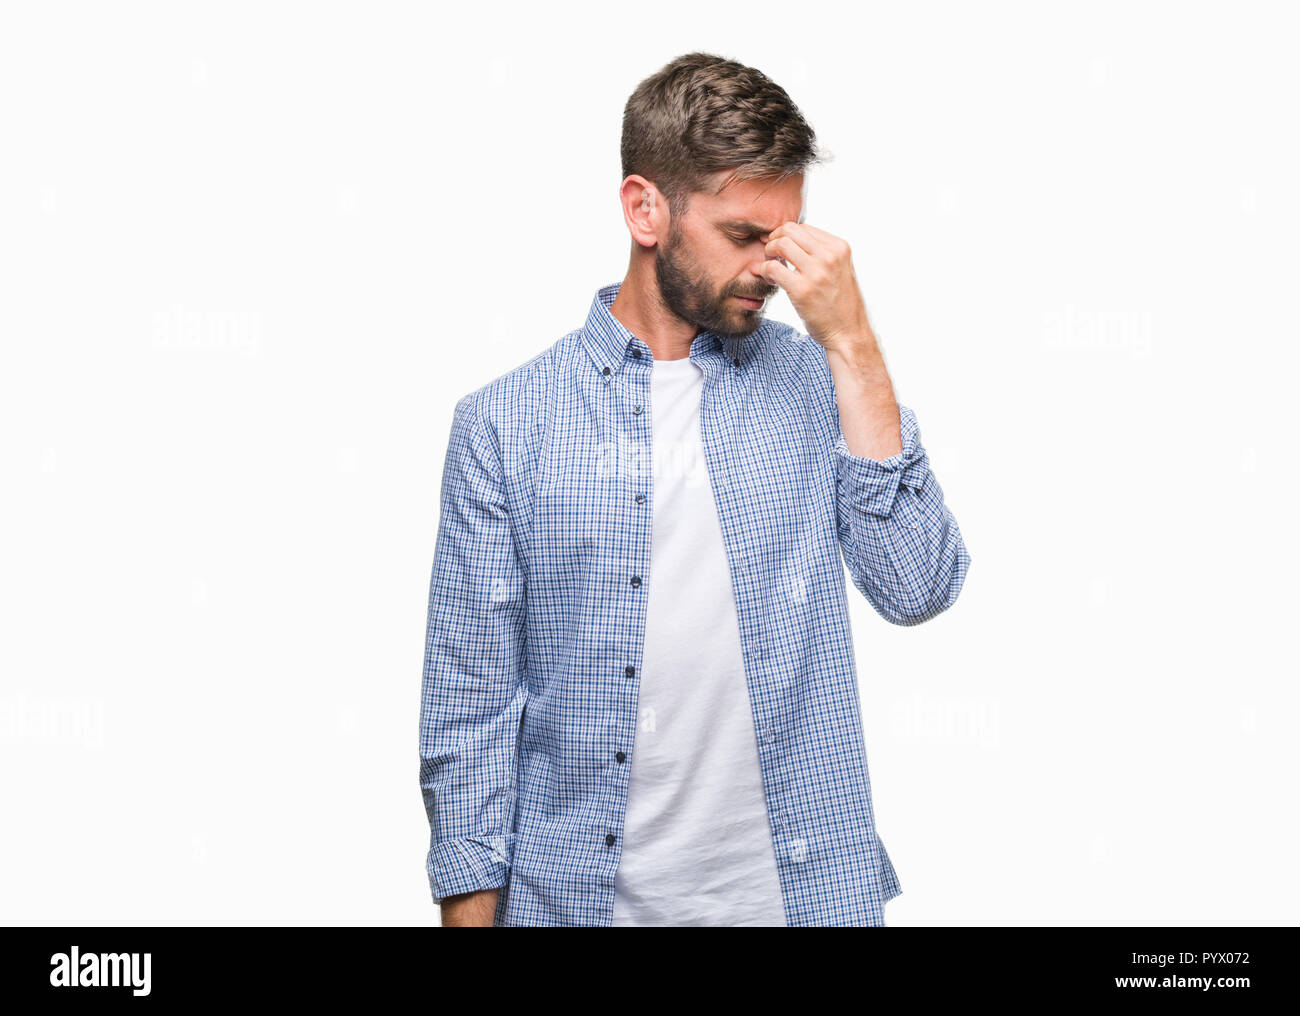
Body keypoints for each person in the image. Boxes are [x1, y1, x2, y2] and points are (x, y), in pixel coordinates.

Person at [419, 51, 971, 927]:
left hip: (802, 903)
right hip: (577, 906)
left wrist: (854, 345)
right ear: (646, 210)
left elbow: (918, 586)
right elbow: (470, 712)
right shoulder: (505, 425)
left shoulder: (819, 384)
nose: (774, 270)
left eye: (788, 238)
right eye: (746, 237)